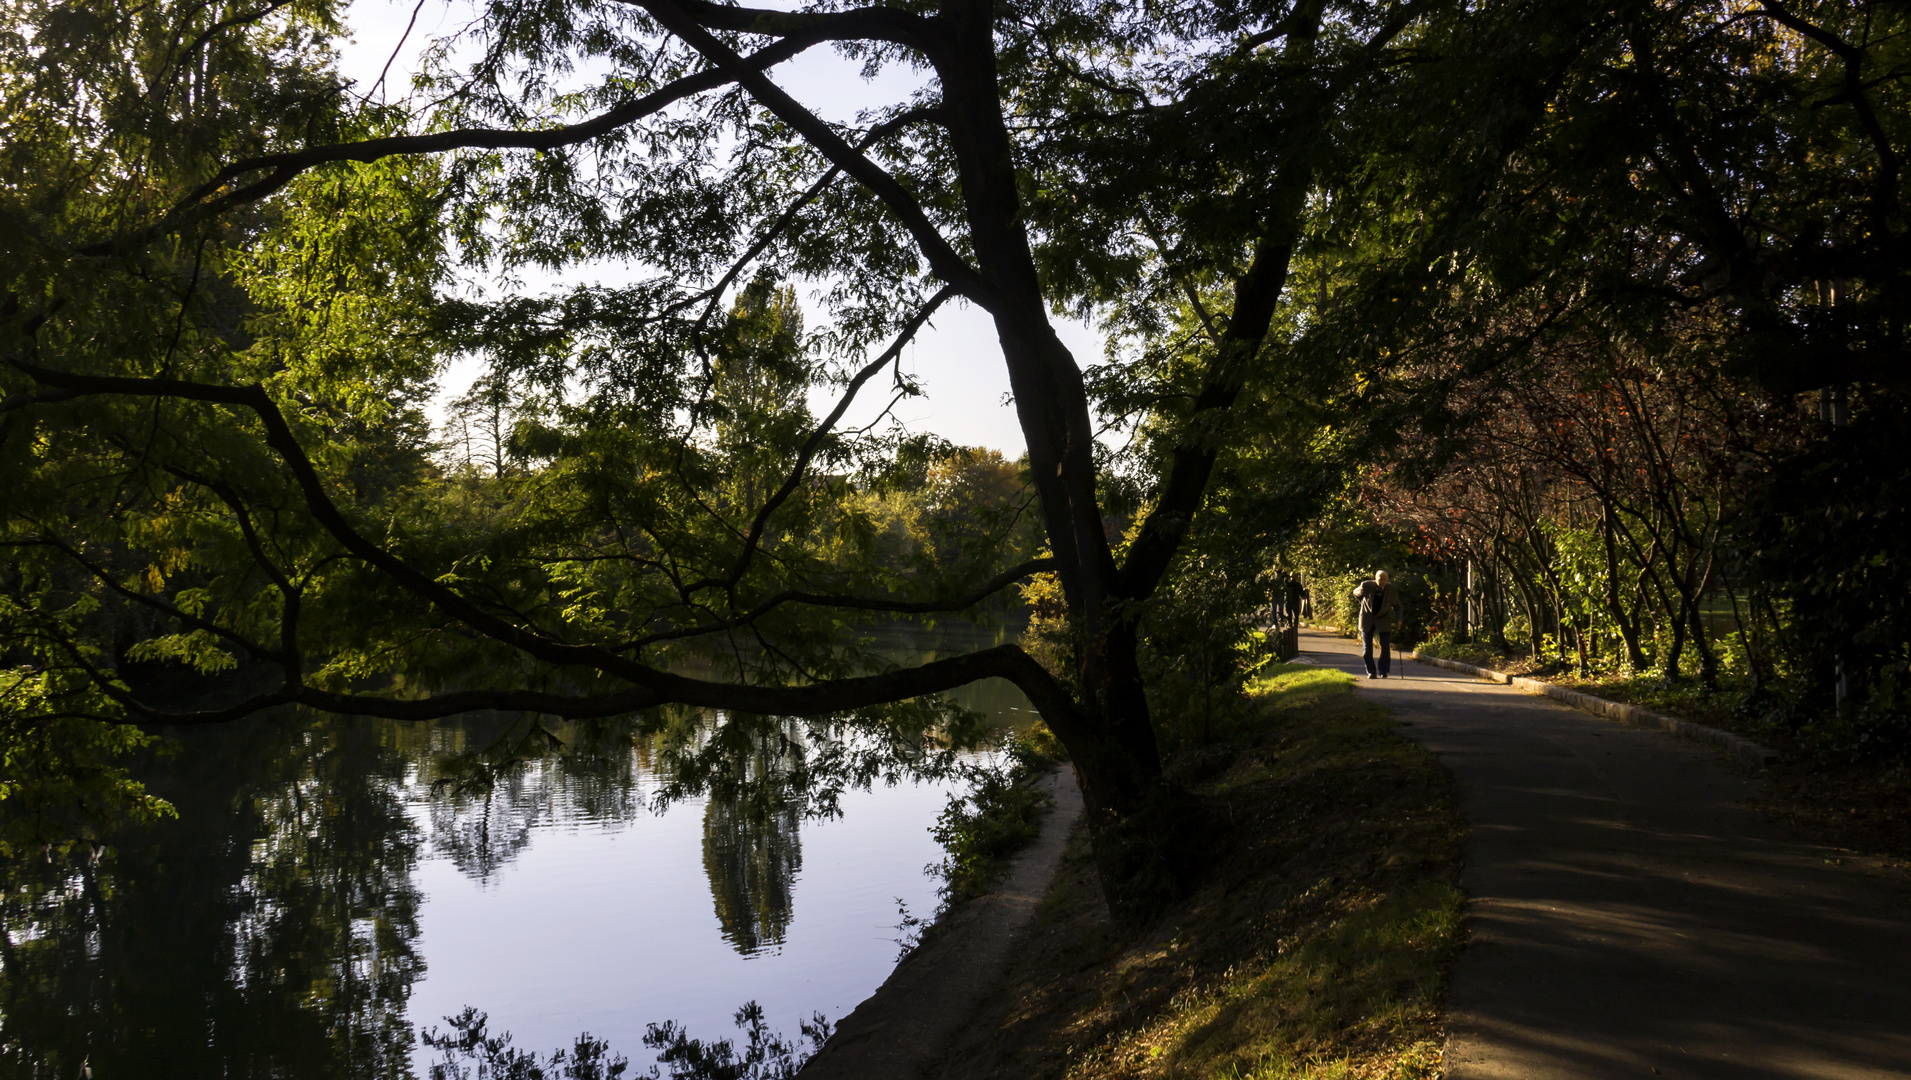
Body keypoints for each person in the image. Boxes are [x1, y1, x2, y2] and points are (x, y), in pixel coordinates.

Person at [1352, 570, 1403, 679]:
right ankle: (1371, 672)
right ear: (1375, 579)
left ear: (1387, 580)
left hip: (1383, 619)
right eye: (1380, 579)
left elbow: (1397, 605)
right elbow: (1355, 593)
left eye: (1385, 579)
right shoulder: (1366, 585)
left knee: (1385, 647)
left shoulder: (1391, 589)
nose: (1382, 581)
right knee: (1367, 648)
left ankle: (1383, 671)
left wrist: (1399, 619)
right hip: (1367, 618)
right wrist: (1362, 600)